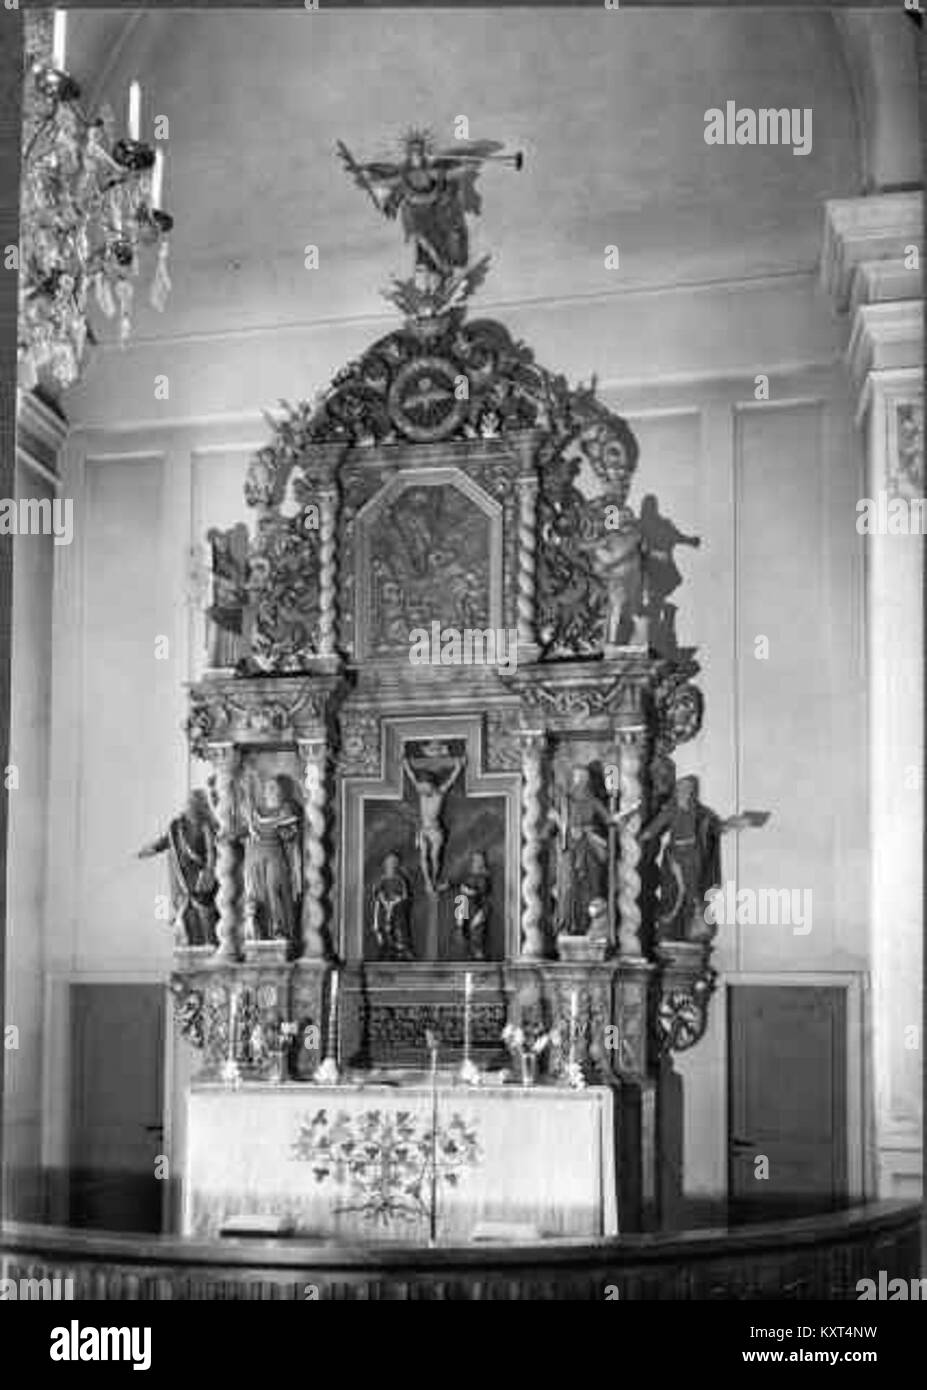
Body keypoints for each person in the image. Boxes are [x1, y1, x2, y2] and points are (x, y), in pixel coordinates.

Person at [138, 789, 217, 947]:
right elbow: (165, 841)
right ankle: (193, 948)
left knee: (206, 914)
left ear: (201, 805)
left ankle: (210, 946)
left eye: (194, 803)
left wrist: (209, 871)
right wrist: (149, 850)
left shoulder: (206, 825)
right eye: (189, 802)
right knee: (187, 916)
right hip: (183, 878)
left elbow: (211, 852)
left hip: (201, 878)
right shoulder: (177, 826)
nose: (190, 806)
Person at [242, 775, 301, 942]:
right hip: (254, 858)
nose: (270, 791)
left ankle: (279, 929)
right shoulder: (255, 812)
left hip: (274, 855)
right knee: (258, 895)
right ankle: (259, 932)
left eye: (274, 787)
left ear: (281, 791)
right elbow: (246, 830)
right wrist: (229, 835)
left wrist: (287, 832)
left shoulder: (286, 810)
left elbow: (290, 834)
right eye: (268, 788)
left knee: (274, 889)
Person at [372, 853, 414, 960]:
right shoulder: (381, 880)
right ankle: (387, 945)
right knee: (384, 928)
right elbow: (377, 895)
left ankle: (401, 946)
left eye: (393, 863)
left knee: (399, 926)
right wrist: (385, 903)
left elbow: (405, 896)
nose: (391, 866)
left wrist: (394, 903)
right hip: (384, 908)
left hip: (398, 909)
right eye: (389, 863)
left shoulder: (401, 880)